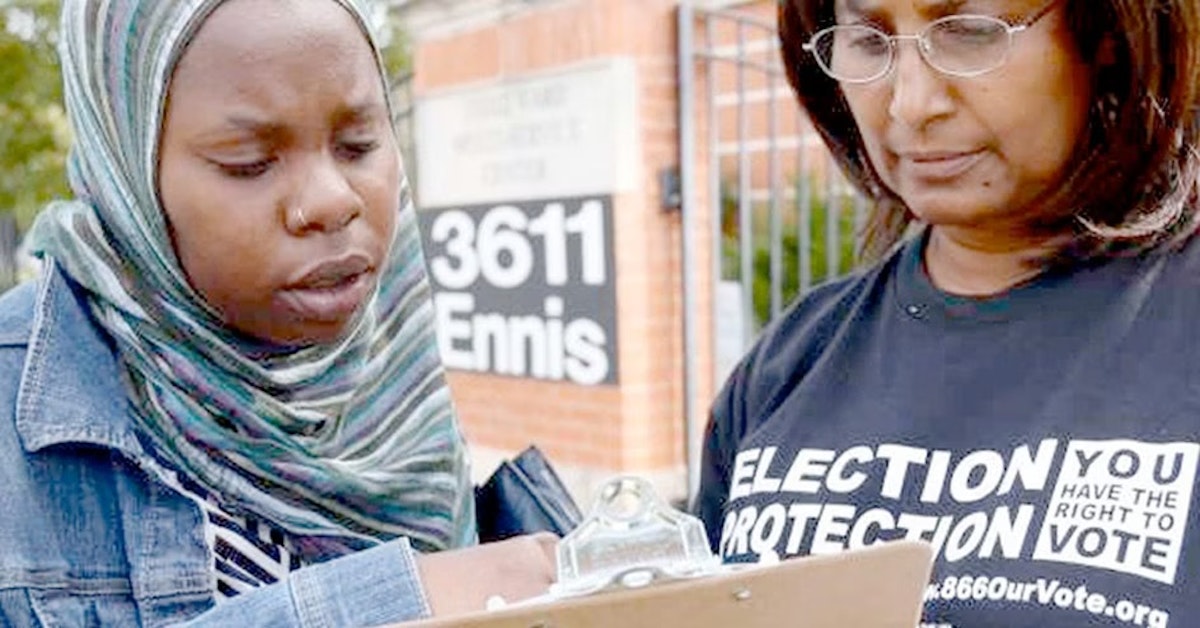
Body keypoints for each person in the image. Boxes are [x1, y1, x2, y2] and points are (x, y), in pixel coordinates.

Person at [0, 0, 557, 625]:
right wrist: (393, 599)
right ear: (128, 173)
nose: (331, 201)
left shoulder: (393, 372)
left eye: (357, 144)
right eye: (249, 162)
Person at [694, 0, 1200, 625]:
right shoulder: (785, 370)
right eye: (871, 41)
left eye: (967, 32)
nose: (910, 104)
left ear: (1103, 35)